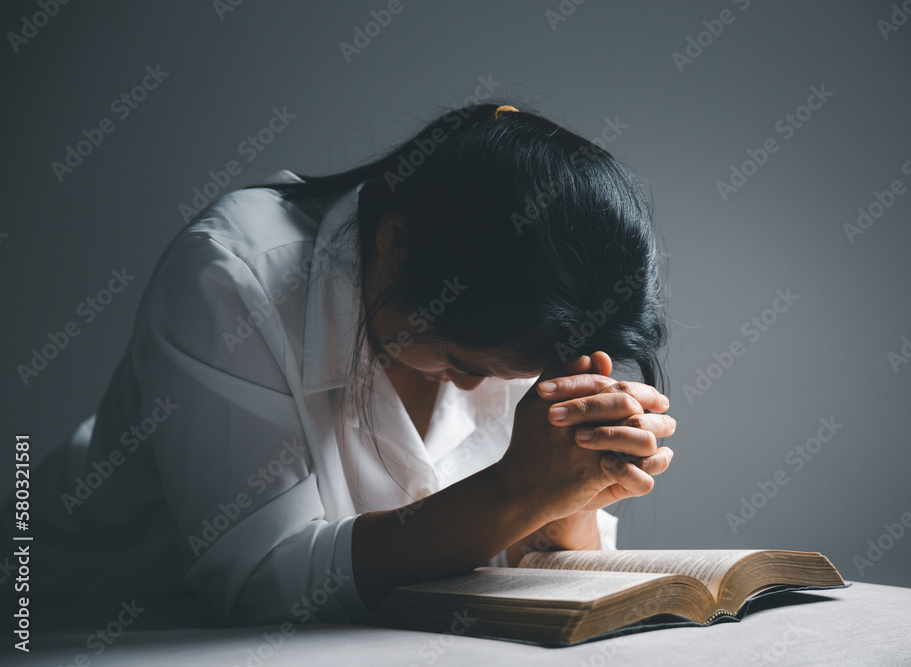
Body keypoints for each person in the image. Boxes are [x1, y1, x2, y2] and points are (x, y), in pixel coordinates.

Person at [17, 102, 676, 625]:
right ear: (394, 246)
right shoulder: (235, 275)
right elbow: (262, 583)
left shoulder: (522, 305)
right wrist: (515, 490)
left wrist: (571, 493)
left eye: (506, 375)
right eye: (459, 361)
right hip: (79, 619)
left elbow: (523, 565)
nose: (479, 390)